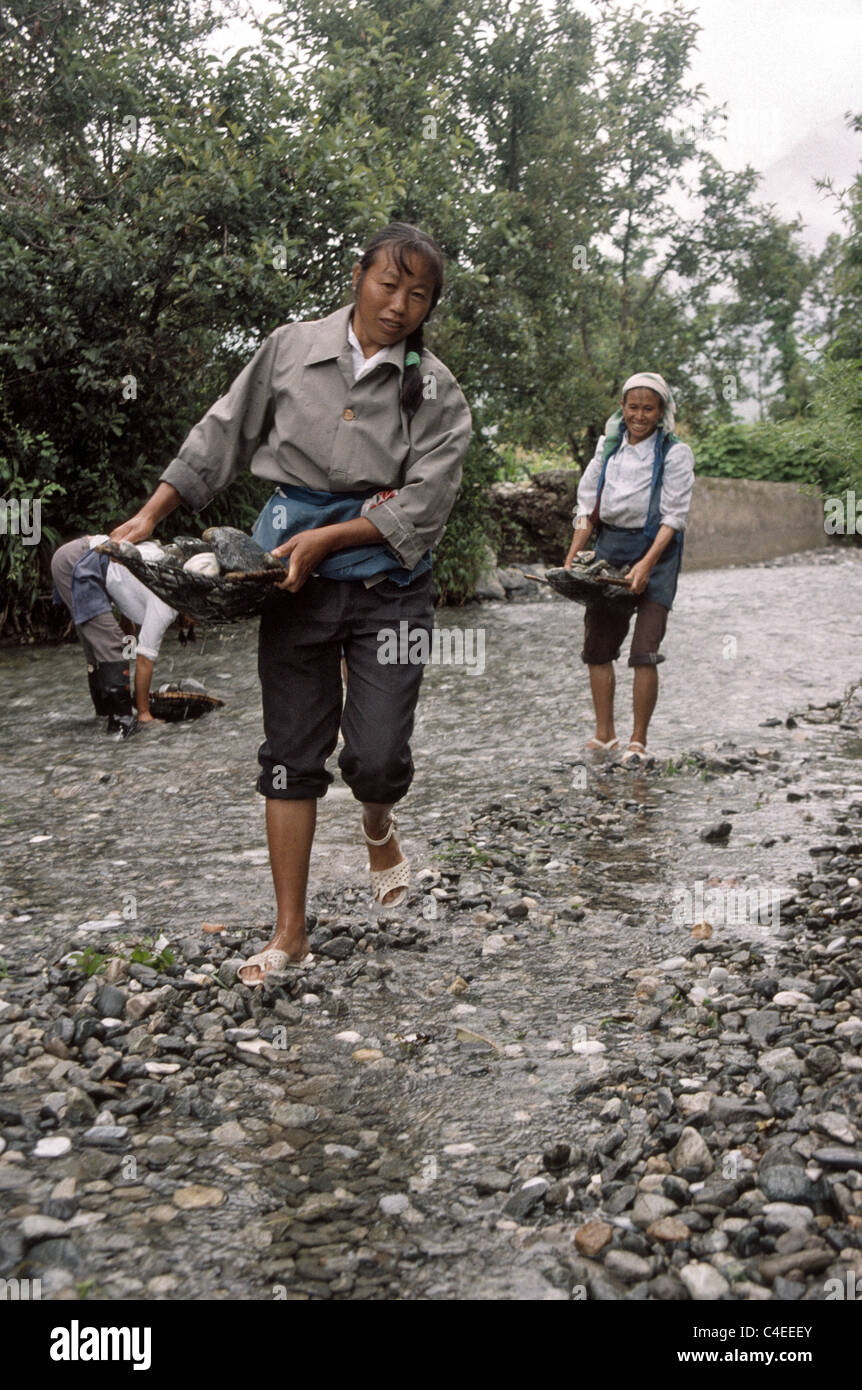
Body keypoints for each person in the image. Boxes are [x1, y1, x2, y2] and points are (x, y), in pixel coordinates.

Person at [110, 222, 472, 984]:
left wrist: (332, 539)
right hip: (286, 578)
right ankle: (289, 931)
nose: (399, 304)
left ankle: (378, 818)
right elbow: (223, 434)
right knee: (291, 757)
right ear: (357, 275)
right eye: (388, 284)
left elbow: (427, 503)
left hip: (389, 586)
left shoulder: (436, 389)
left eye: (418, 295)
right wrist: (151, 515)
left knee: (374, 759)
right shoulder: (289, 347)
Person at [564, 372, 694, 765]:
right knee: (598, 648)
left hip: (658, 551)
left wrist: (645, 565)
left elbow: (674, 518)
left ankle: (638, 741)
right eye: (633, 407)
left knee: (644, 650)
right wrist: (571, 559)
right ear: (623, 408)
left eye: (648, 408)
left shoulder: (675, 453)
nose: (639, 415)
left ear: (661, 412)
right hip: (610, 548)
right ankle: (605, 735)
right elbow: (587, 507)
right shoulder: (607, 448)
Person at [51, 534, 178, 738]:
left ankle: (104, 716)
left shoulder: (168, 571)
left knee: (99, 649)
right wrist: (144, 713)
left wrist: (126, 638)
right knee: (112, 646)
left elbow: (126, 592)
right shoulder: (167, 604)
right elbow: (144, 659)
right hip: (77, 562)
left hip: (81, 556)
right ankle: (122, 725)